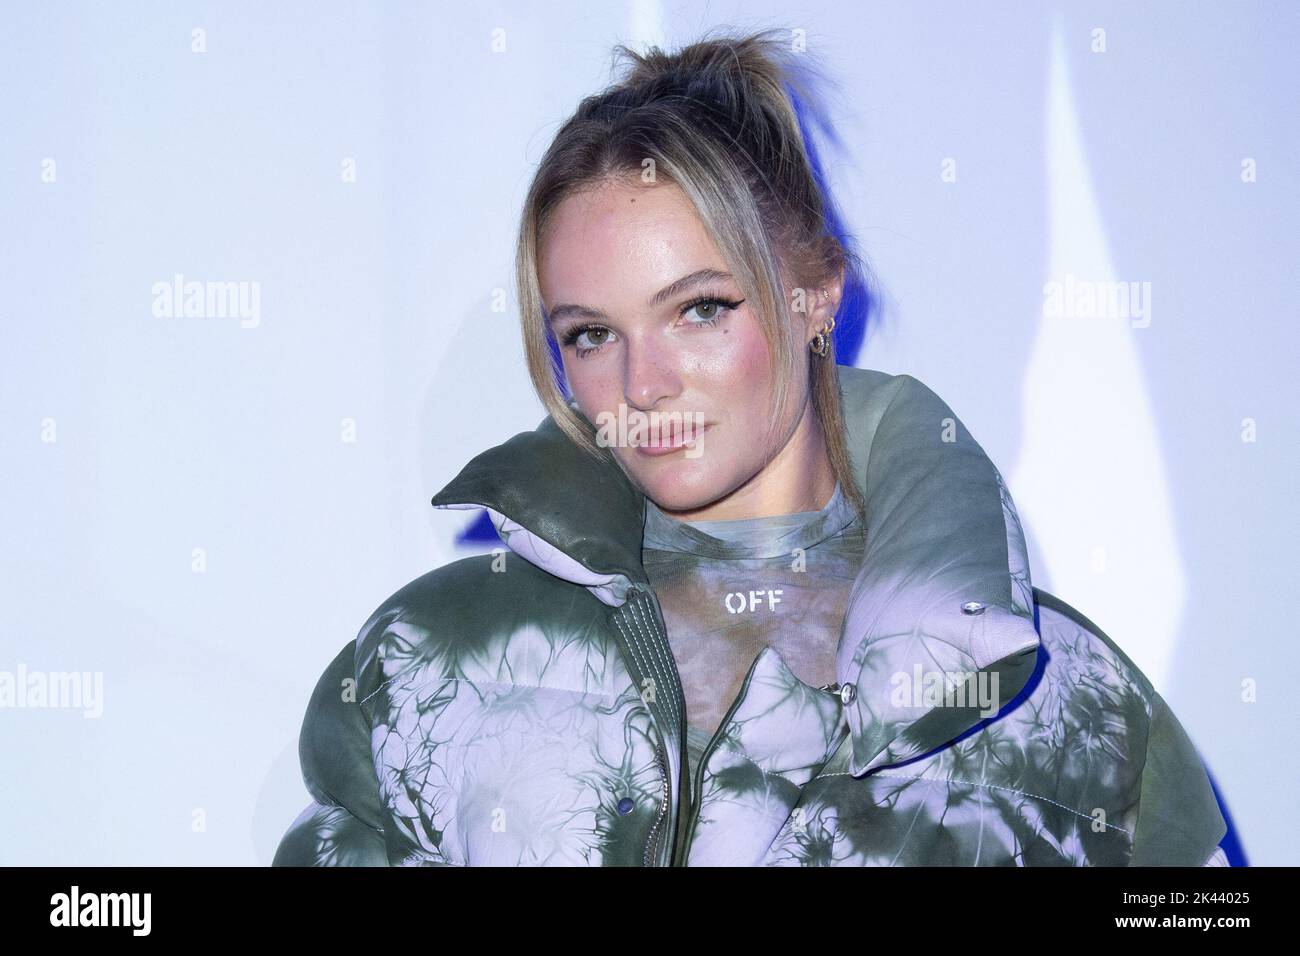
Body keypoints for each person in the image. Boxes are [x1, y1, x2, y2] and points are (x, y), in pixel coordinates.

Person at [273, 29, 1228, 867]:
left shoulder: (1048, 694)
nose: (642, 387)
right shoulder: (432, 660)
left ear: (816, 292)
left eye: (699, 310)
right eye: (590, 335)